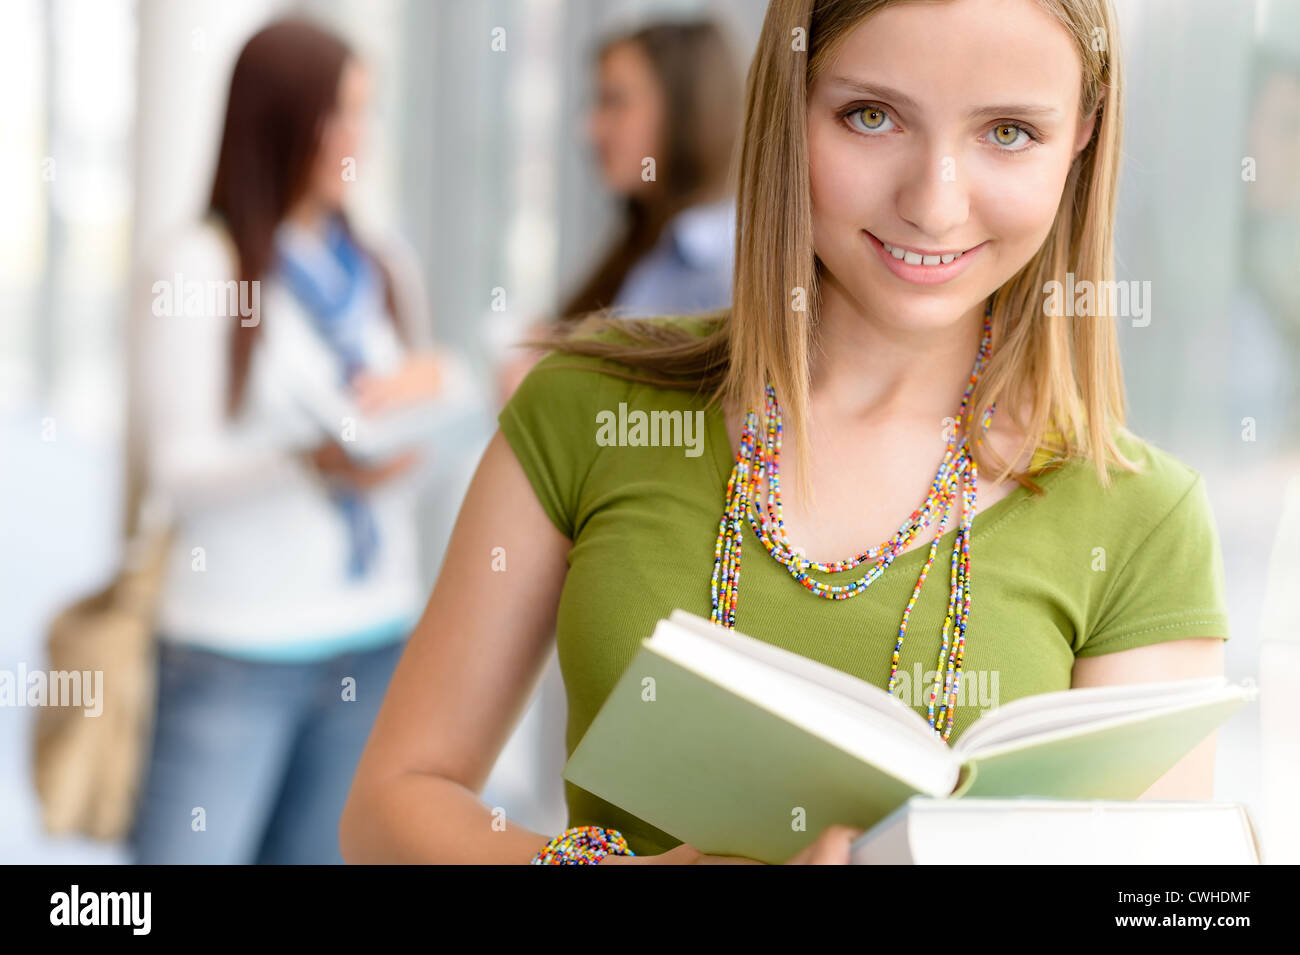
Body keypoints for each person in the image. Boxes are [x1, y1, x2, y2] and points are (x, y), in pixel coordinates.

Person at [341, 0, 1231, 865]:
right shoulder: (589, 404)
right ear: (788, 106)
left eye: (1007, 132)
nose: (934, 203)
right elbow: (390, 807)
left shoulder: (1139, 517)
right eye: (872, 116)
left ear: (1082, 131)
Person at [128, 18, 455, 864]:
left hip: (371, 632)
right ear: (278, 121)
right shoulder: (198, 266)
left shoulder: (383, 267)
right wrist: (307, 461)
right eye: (338, 115)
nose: (360, 140)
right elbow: (177, 467)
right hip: (236, 645)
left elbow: (408, 458)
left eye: (367, 113)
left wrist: (426, 407)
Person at [495, 18, 742, 406]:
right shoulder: (641, 244)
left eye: (615, 101)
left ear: (685, 109)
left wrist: (554, 392)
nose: (590, 129)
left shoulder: (729, 269)